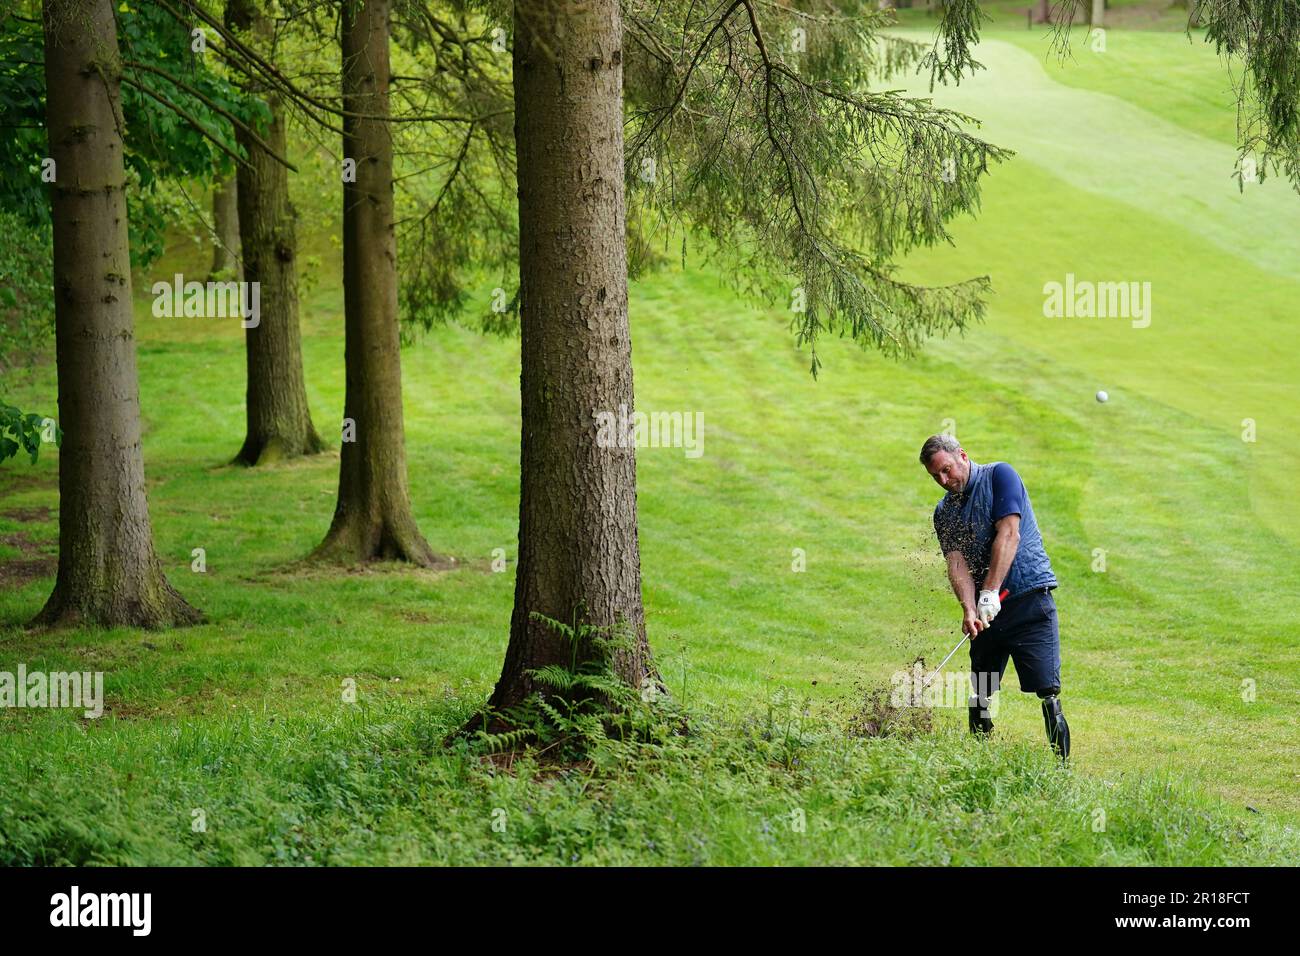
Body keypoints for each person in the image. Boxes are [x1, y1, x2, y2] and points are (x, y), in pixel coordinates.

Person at [919, 434, 1070, 759]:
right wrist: (970, 608)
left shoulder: (1001, 475)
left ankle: (1062, 774)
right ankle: (978, 762)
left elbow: (1009, 533)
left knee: (1048, 691)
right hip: (988, 618)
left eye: (946, 470)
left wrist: (989, 591)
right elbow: (956, 563)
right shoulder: (944, 512)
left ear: (962, 455)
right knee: (981, 691)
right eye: (936, 477)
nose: (944, 481)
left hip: (1030, 600)